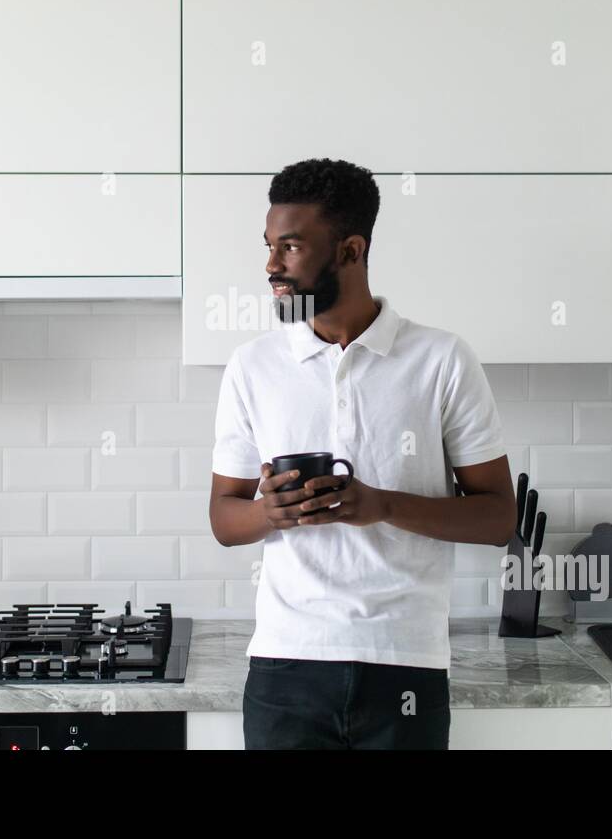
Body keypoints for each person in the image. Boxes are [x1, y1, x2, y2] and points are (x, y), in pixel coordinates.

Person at [208, 157, 517, 749]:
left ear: (351, 250)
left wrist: (379, 505)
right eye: (269, 246)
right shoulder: (253, 366)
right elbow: (224, 517)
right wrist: (267, 513)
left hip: (405, 663)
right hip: (285, 667)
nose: (271, 265)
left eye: (290, 247)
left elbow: (498, 517)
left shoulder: (443, 361)